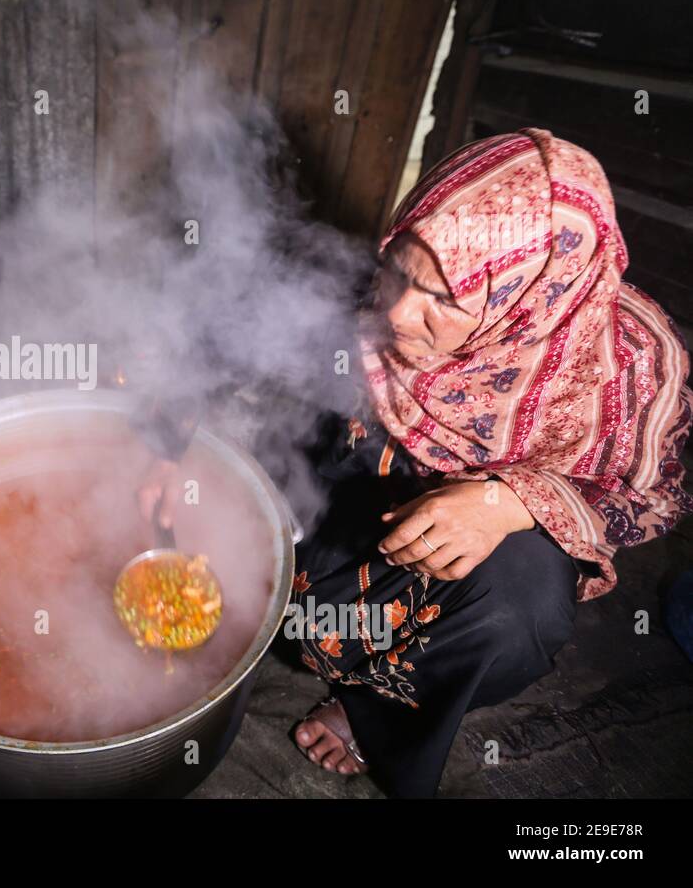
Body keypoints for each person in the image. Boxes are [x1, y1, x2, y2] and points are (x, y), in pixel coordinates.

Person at [139, 129, 692, 797]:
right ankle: (276, 594)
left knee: (522, 608)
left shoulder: (632, 365)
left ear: (528, 307)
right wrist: (176, 443)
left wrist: (509, 501)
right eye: (397, 269)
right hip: (336, 496)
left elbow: (651, 497)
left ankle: (372, 708)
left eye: (447, 300)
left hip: (437, 574)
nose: (398, 314)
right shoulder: (374, 291)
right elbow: (232, 333)